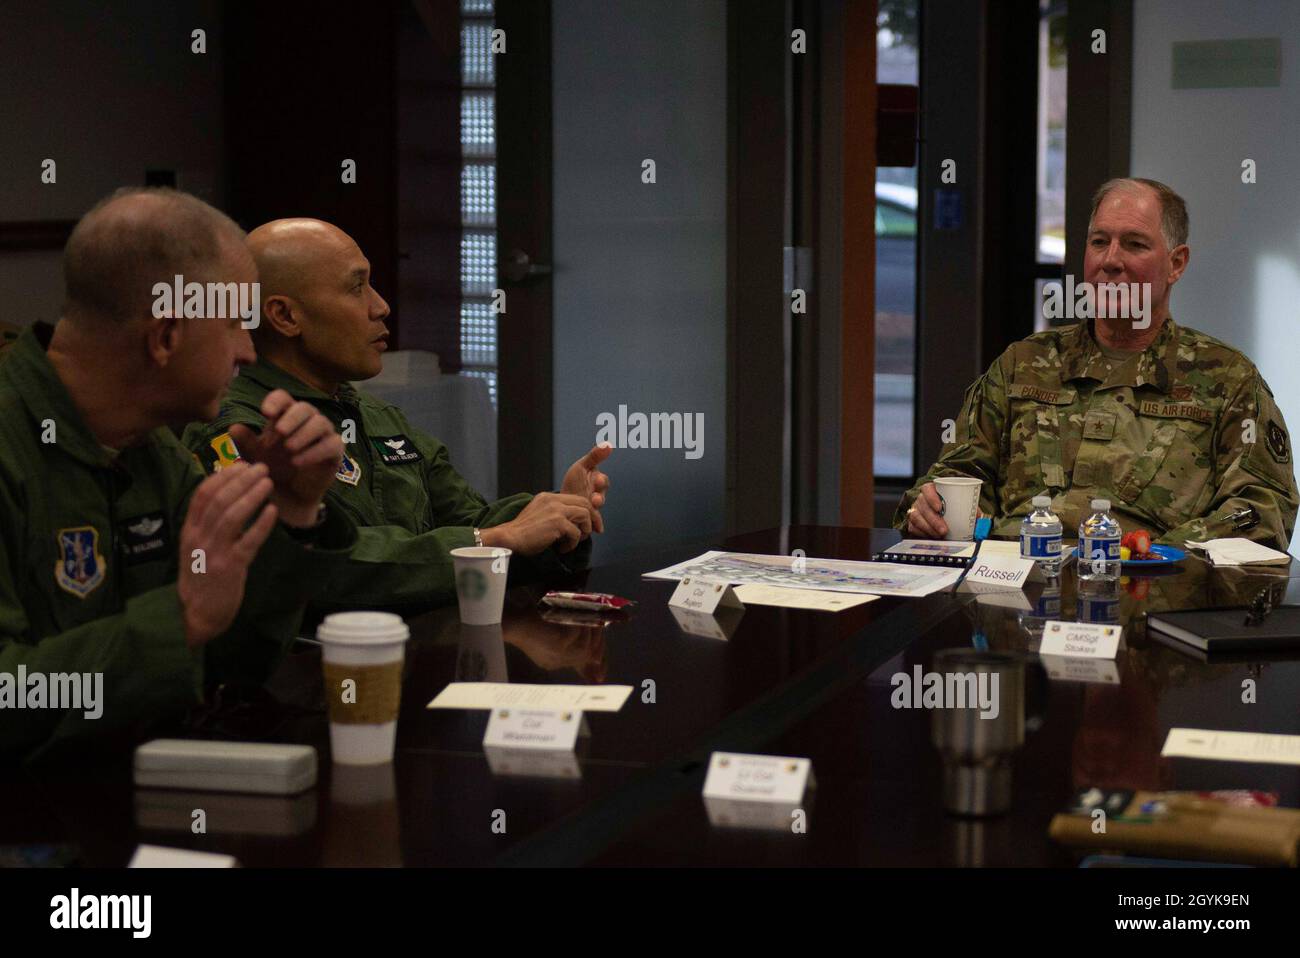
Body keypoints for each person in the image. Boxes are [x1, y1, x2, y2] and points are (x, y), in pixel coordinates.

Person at [0, 188, 355, 761]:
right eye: (237, 325)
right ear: (165, 336)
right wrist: (179, 619)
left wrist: (289, 511)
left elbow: (233, 662)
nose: (247, 352)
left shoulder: (152, 447)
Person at [184, 218, 611, 609]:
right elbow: (322, 573)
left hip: (424, 649)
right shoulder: (238, 433)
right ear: (285, 315)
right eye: (356, 288)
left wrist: (556, 516)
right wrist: (493, 540)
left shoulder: (372, 414)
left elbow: (468, 519)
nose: (381, 305)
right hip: (317, 673)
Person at [896, 177, 1298, 551]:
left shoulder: (1226, 379)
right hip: (1020, 591)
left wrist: (1153, 553)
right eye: (1099, 242)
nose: (1111, 260)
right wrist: (929, 507)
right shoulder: (1024, 364)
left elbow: (1263, 510)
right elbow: (957, 475)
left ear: (1176, 264)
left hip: (1152, 597)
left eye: (1135, 244)